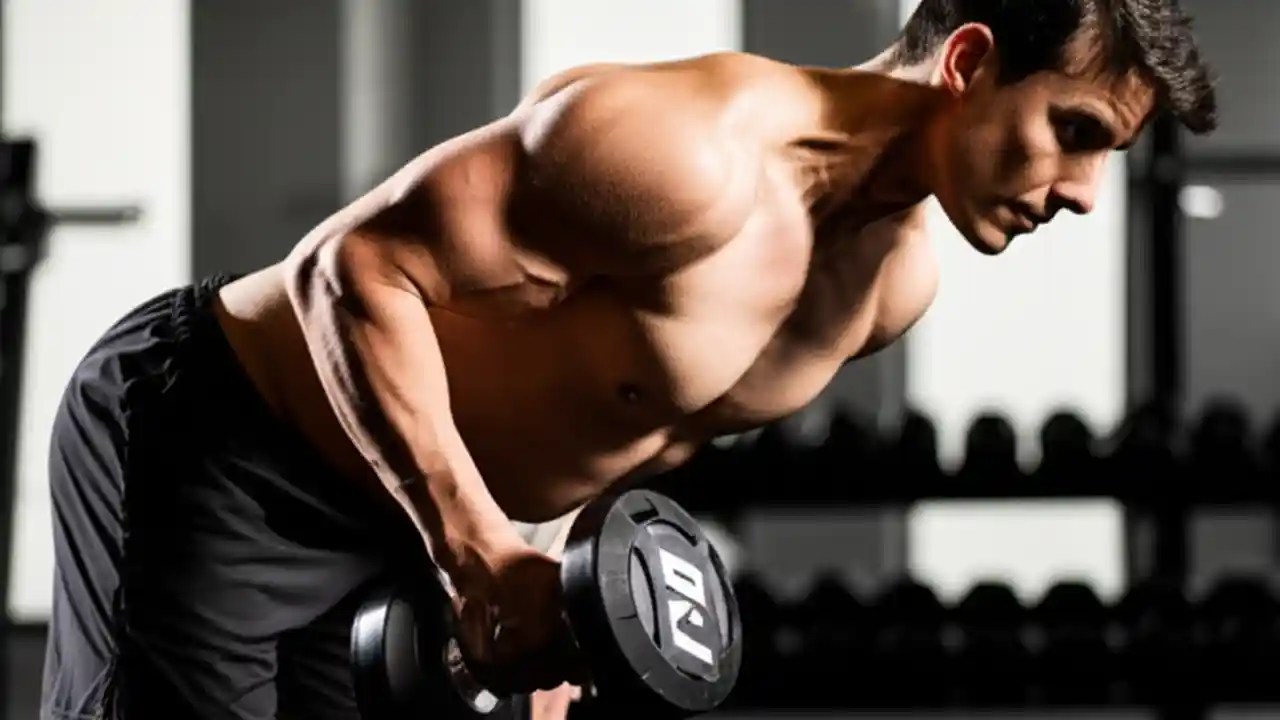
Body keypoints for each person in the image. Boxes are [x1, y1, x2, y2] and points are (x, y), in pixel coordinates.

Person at [41, 0, 1217, 718]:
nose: (1079, 193)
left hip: (412, 527)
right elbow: (349, 277)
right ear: (966, 62)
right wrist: (476, 559)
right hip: (232, 442)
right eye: (1073, 135)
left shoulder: (886, 286)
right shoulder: (683, 155)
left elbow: (607, 415)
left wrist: (557, 601)